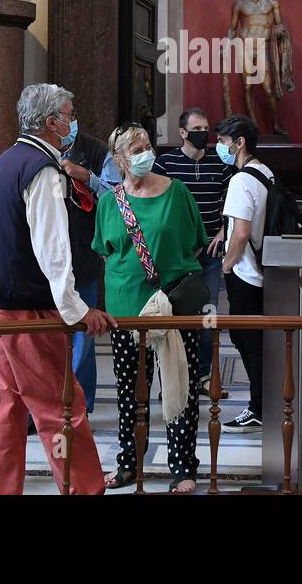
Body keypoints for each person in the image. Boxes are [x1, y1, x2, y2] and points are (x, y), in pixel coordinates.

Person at [0, 83, 114, 495]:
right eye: (69, 116)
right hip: (27, 308)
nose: (72, 123)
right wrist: (77, 309)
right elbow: (53, 247)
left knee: (6, 407)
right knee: (60, 406)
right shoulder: (43, 170)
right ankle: (84, 488)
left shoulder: (6, 160)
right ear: (51, 122)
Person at [93, 124, 206, 492]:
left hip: (173, 307)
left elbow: (195, 244)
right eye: (135, 149)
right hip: (127, 310)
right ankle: (129, 462)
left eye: (146, 146)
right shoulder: (111, 201)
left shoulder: (178, 194)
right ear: (120, 160)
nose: (145, 154)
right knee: (130, 392)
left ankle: (183, 466)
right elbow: (106, 250)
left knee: (179, 387)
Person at [153, 107, 231, 398]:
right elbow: (157, 205)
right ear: (183, 133)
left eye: (206, 128)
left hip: (210, 251)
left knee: (207, 316)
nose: (203, 134)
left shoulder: (219, 163)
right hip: (177, 254)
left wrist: (224, 230)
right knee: (171, 317)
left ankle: (202, 376)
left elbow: (230, 201)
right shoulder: (165, 163)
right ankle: (171, 381)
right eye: (197, 129)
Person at [216, 113, 272, 428]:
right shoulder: (265, 172)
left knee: (247, 339)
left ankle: (259, 407)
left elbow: (240, 232)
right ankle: (266, 402)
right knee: (258, 340)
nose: (220, 148)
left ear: (240, 143)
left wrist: (227, 264)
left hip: (246, 273)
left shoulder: (240, 180)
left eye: (224, 142)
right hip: (265, 269)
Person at [57, 120, 110, 414]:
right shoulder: (38, 151)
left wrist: (86, 176)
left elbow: (117, 195)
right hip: (49, 263)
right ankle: (52, 404)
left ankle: (78, 406)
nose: (72, 119)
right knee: (50, 339)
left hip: (85, 256)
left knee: (83, 336)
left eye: (73, 113)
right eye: (66, 113)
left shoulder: (96, 149)